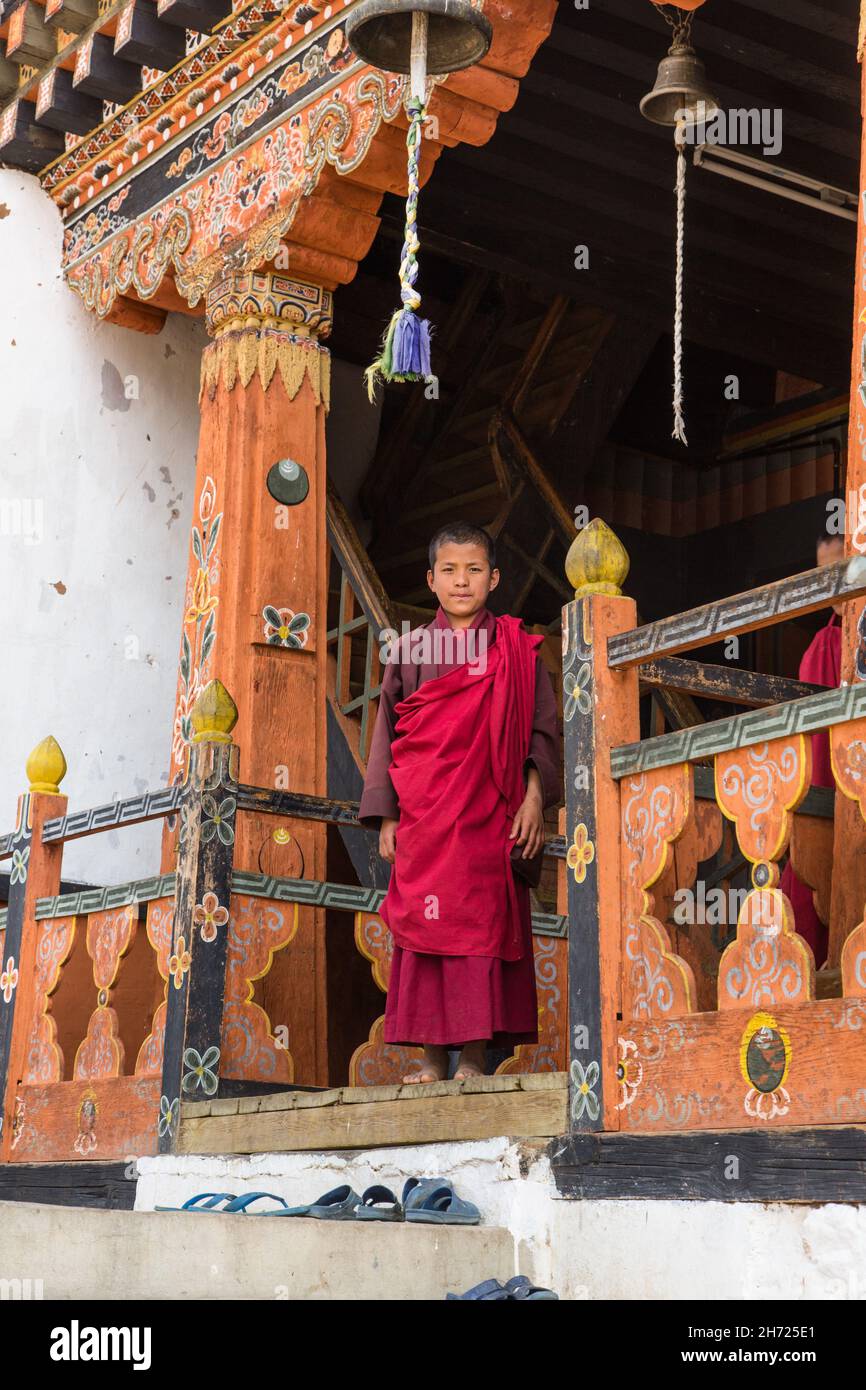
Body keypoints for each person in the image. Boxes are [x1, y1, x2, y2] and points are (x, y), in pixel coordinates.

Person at [358, 522, 560, 1083]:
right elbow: (388, 735)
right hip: (426, 816)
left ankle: (472, 1058)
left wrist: (534, 797)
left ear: (494, 578)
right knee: (426, 930)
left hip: (491, 815)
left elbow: (542, 732)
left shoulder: (518, 650)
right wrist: (389, 814)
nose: (461, 580)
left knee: (479, 929)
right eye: (449, 570)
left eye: (474, 569)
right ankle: (429, 1060)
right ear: (431, 579)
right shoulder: (411, 650)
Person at [780, 531, 844, 967]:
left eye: (841, 569)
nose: (834, 584)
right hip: (825, 802)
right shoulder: (821, 647)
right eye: (825, 575)